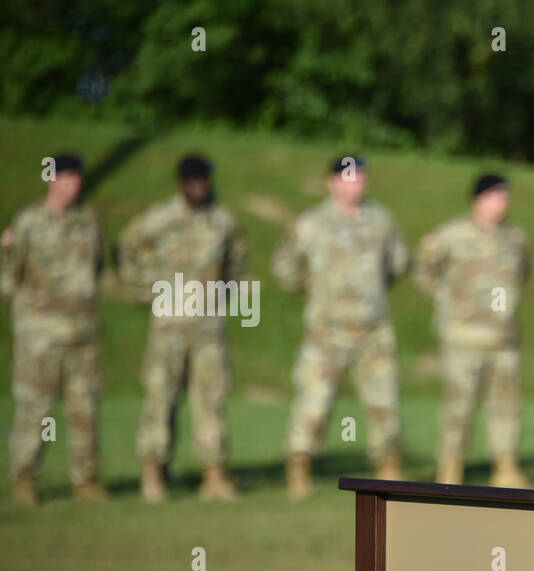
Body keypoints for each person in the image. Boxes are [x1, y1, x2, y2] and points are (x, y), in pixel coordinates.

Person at [272, 155, 409, 499]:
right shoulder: (312, 223)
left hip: (373, 332)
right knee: (313, 404)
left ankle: (389, 469)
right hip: (326, 332)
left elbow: (397, 265)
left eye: (360, 177)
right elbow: (285, 267)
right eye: (348, 177)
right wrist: (316, 289)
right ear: (331, 182)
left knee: (385, 404)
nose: (355, 184)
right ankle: (299, 470)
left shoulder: (382, 221)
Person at [117, 155, 247, 502]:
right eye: (192, 181)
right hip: (168, 326)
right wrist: (146, 288)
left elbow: (237, 261)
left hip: (208, 328)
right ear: (181, 183)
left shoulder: (223, 220)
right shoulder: (160, 219)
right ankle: (153, 476)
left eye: (204, 180)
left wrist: (223, 294)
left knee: (212, 400)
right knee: (160, 398)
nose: (199, 187)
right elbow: (127, 248)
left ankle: (215, 477)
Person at [2, 154, 107, 506]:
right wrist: (23, 321)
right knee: (37, 409)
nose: (73, 185)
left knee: (85, 409)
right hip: (39, 337)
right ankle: (24, 478)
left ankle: (86, 480)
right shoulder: (29, 223)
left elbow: (100, 269)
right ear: (50, 179)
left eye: (77, 178)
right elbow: (8, 278)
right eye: (65, 178)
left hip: (82, 335)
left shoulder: (89, 222)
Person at [413, 173, 530, 487]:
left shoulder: (516, 238)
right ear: (478, 199)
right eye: (494, 196)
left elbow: (522, 274)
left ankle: (506, 467)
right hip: (462, 336)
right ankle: (451, 469)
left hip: (504, 338)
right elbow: (424, 269)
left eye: (505, 196)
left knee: (506, 406)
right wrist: (447, 300)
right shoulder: (452, 234)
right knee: (459, 406)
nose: (501, 203)